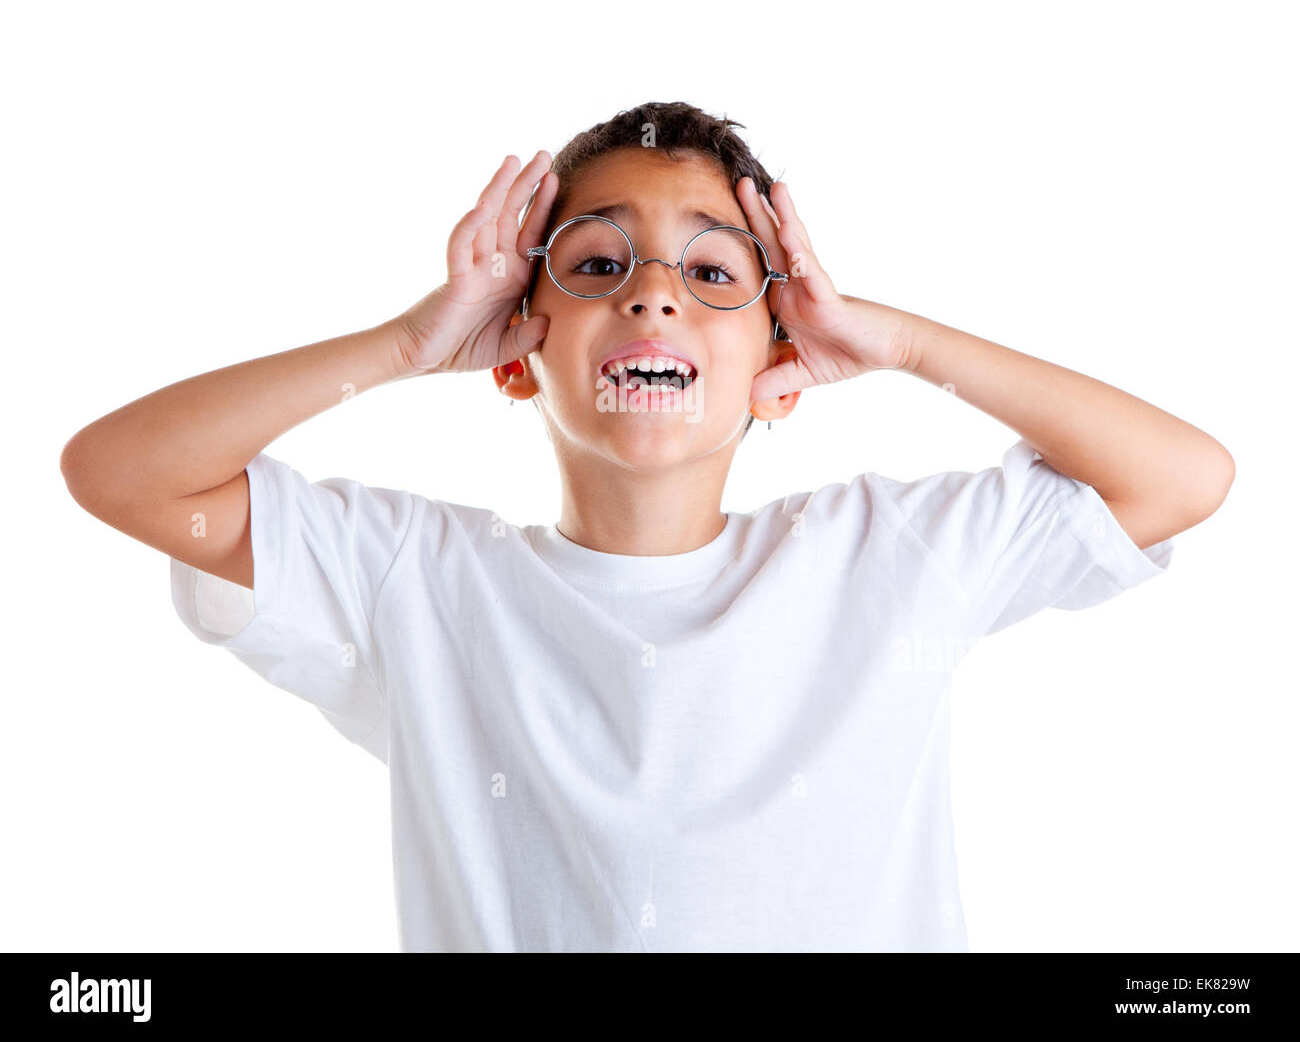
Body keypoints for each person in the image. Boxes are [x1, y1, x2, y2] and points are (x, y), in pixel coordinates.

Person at [59, 100, 1234, 952]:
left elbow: (1180, 476)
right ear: (514, 353)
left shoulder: (886, 556)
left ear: (782, 362)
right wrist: (404, 345)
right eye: (598, 262)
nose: (654, 291)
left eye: (712, 273)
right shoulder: (412, 580)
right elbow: (124, 474)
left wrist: (903, 340)